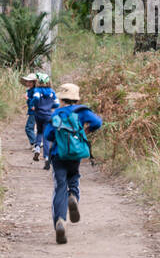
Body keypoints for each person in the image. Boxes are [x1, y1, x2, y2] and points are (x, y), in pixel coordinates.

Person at [42, 83, 103, 245]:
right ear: (76, 98)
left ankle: (60, 221)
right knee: (74, 176)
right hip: (75, 155)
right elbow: (98, 122)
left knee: (60, 186)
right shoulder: (82, 111)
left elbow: (48, 135)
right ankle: (74, 196)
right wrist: (85, 131)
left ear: (61, 98)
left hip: (58, 155)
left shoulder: (56, 114)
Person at [30, 73, 57, 165]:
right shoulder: (52, 92)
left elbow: (36, 98)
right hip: (48, 115)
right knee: (46, 136)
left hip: (38, 114)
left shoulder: (37, 90)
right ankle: (46, 156)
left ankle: (37, 147)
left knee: (39, 131)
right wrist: (49, 106)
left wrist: (33, 105)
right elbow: (56, 104)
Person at [21, 73, 39, 149]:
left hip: (34, 112)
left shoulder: (35, 91)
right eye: (27, 82)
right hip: (32, 111)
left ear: (34, 83)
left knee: (29, 128)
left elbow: (35, 101)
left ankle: (35, 143)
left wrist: (27, 99)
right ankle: (35, 142)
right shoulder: (30, 90)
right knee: (31, 127)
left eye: (30, 82)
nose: (28, 83)